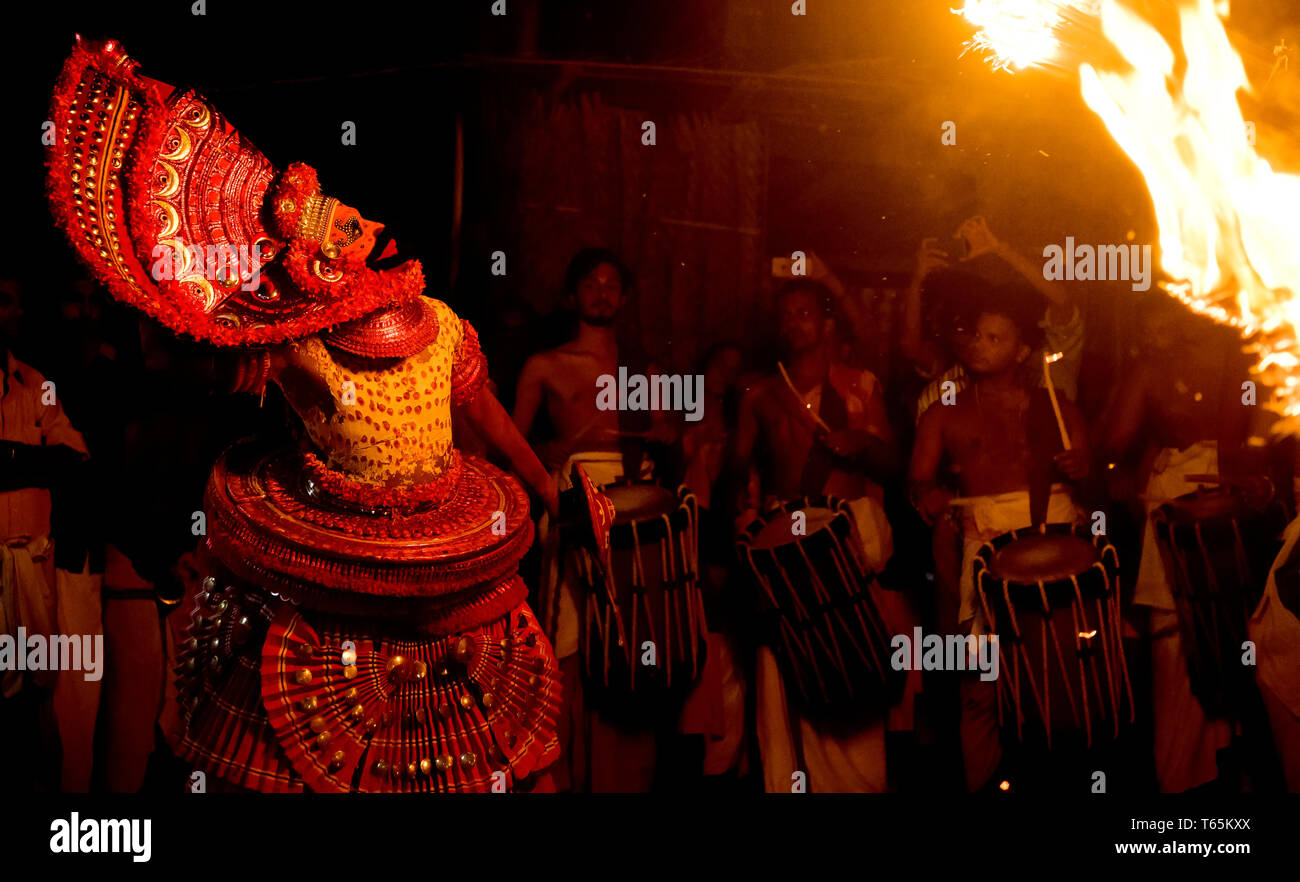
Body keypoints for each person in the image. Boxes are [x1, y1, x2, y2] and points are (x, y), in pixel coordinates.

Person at [46, 37, 565, 792]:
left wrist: (550, 491)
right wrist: (167, 287)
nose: (371, 232)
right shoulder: (296, 342)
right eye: (352, 232)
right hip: (325, 568)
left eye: (367, 223)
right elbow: (184, 359)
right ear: (324, 269)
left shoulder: (447, 324)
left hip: (447, 563)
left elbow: (488, 419)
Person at [909, 288, 1090, 791]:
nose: (979, 347)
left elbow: (1088, 468)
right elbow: (918, 482)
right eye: (977, 336)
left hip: (1055, 546)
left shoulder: (1057, 407)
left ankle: (1058, 783)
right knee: (981, 684)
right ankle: (983, 787)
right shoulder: (943, 413)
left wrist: (1080, 466)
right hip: (983, 550)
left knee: (1056, 677)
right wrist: (930, 496)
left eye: (996, 338)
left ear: (1021, 351)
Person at [729, 279, 903, 792]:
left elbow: (896, 464)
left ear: (828, 323)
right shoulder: (758, 395)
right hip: (784, 548)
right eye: (785, 316)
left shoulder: (860, 386)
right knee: (782, 668)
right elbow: (739, 476)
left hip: (845, 539)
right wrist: (745, 522)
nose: (792, 324)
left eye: (804, 313)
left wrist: (863, 442)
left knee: (847, 653)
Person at [1101, 294, 1262, 792]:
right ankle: (1221, 771)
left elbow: (1112, 447)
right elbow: (1264, 434)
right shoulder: (1254, 359)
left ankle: (1188, 780)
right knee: (1231, 634)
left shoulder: (1156, 369)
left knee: (1181, 639)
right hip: (1231, 504)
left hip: (1198, 503)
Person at [0, 277, 94, 792]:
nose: (12, 312)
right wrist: (35, 462)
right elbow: (54, 460)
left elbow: (75, 460)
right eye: (3, 301)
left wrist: (14, 459)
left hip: (31, 569)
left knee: (37, 695)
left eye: (14, 300)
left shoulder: (35, 382)